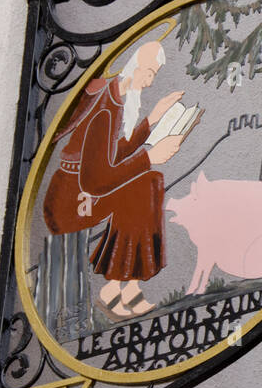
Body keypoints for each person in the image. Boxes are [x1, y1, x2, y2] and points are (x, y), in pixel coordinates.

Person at [42, 41, 187, 321]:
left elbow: (110, 157)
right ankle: (113, 289)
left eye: (152, 76)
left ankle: (129, 287)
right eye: (149, 74)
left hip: (83, 195)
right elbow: (97, 181)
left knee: (150, 181)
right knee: (142, 184)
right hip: (71, 204)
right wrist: (149, 157)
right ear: (134, 67)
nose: (148, 83)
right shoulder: (105, 108)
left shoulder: (114, 101)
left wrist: (152, 120)